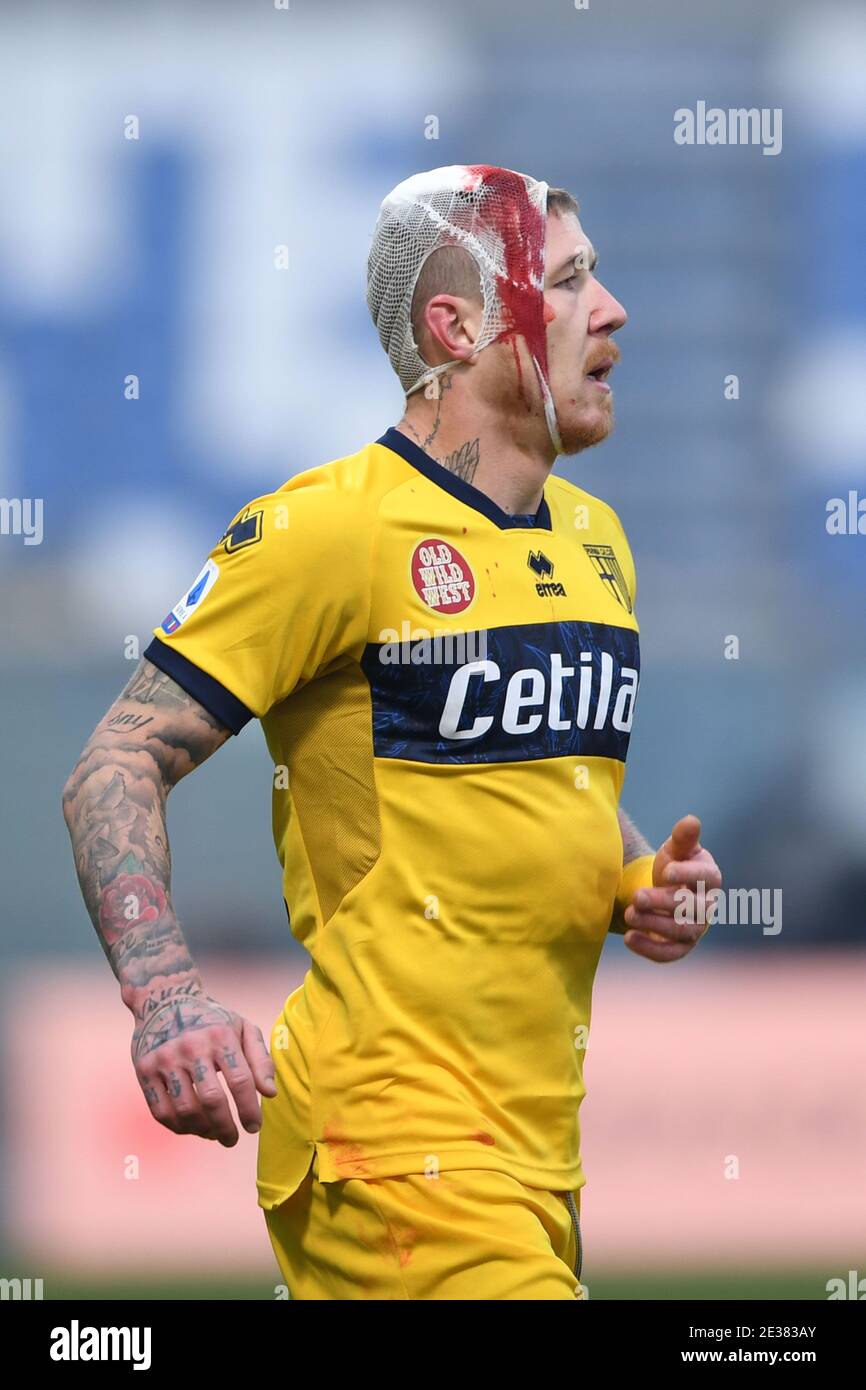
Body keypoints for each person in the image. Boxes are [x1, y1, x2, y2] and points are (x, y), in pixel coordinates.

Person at [62, 164, 722, 1300]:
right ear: (455, 325)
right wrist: (165, 993)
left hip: (531, 1155)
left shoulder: (594, 540)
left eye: (597, 279)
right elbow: (113, 765)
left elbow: (524, 781)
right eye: (565, 282)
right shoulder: (329, 528)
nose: (610, 311)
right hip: (392, 1142)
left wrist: (632, 877)